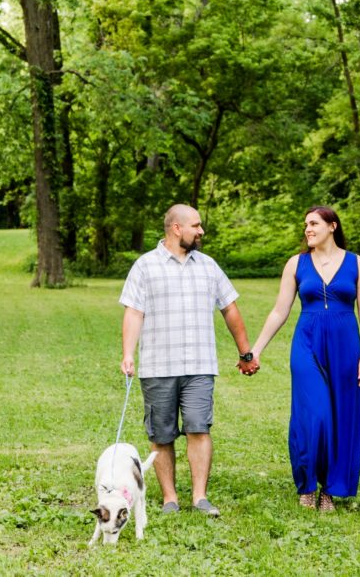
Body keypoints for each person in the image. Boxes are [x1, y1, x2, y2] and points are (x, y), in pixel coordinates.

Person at [119, 204, 257, 517]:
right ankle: (170, 498)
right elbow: (134, 312)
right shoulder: (145, 266)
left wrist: (245, 352)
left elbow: (230, 308)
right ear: (177, 228)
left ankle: (199, 497)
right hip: (158, 366)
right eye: (196, 225)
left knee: (199, 428)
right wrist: (128, 353)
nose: (201, 231)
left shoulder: (208, 266)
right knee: (161, 434)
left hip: (199, 365)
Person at [248, 206, 360, 512]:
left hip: (346, 347)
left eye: (314, 223)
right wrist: (257, 349)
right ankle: (306, 486)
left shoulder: (357, 263)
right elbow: (280, 311)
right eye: (306, 224)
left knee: (342, 417)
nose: (308, 229)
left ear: (332, 226)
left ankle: (329, 490)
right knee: (313, 416)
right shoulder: (297, 264)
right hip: (307, 344)